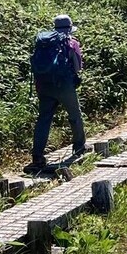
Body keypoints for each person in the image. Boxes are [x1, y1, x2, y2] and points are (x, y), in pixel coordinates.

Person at [28, 13, 86, 172]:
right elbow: (77, 67)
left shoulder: (43, 43)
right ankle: (79, 148)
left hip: (44, 86)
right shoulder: (71, 43)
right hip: (64, 85)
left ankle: (37, 158)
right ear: (69, 28)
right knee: (75, 115)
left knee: (44, 119)